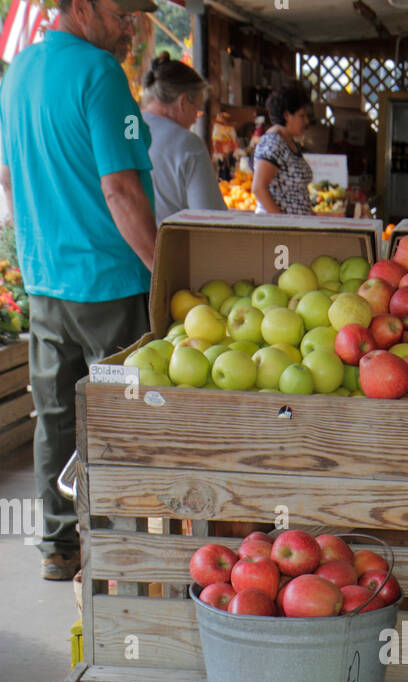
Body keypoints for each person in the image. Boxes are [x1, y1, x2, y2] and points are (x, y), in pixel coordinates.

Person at [0, 0, 157, 581]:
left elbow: (9, 177)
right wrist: (159, 271)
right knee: (120, 417)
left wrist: (36, 248)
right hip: (109, 286)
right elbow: (119, 189)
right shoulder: (99, 73)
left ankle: (59, 548)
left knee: (56, 415)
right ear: (84, 6)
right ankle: (122, 548)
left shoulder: (17, 71)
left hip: (45, 286)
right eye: (122, 14)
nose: (129, 28)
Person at [140, 53, 226, 226]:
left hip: (120, 247)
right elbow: (210, 218)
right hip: (168, 248)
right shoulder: (187, 144)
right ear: (183, 102)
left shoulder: (125, 127)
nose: (195, 119)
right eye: (197, 110)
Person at [252, 82, 314, 216]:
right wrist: (284, 224)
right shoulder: (273, 143)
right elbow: (258, 188)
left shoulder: (288, 142)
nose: (306, 121)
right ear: (287, 115)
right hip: (280, 233)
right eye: (302, 116)